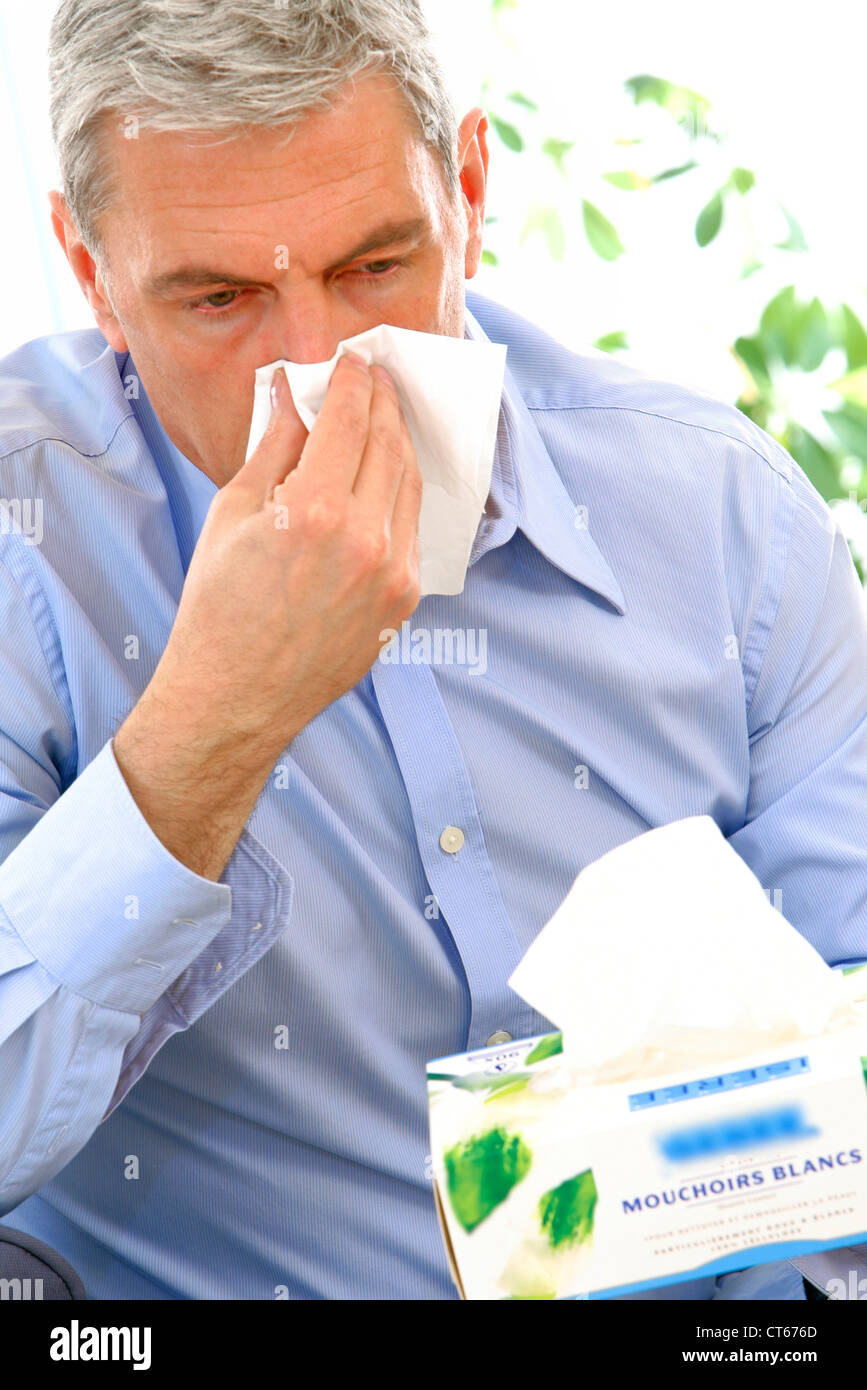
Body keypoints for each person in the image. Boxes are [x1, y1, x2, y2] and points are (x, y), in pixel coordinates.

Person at [0, 0, 863, 1302]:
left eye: (375, 267)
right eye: (219, 297)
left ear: (466, 189)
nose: (325, 368)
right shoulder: (27, 544)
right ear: (90, 270)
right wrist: (213, 721)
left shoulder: (727, 521)